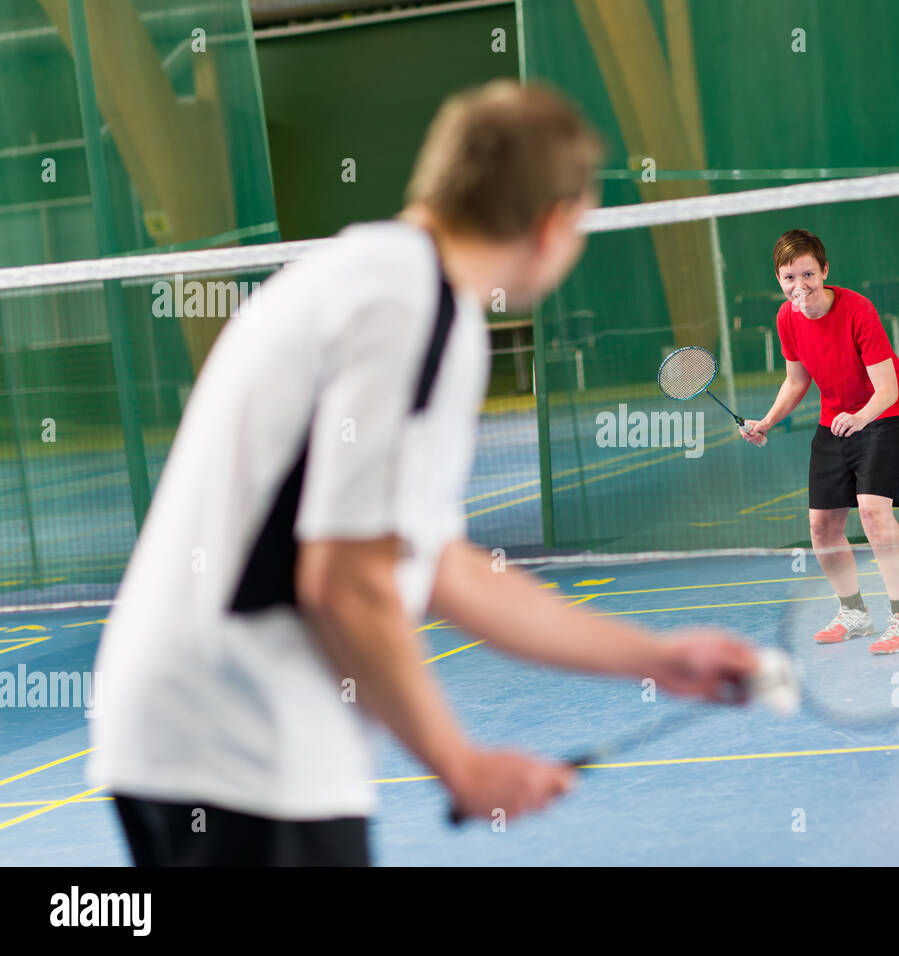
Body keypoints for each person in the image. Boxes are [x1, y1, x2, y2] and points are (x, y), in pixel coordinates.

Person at [89, 81, 758, 866]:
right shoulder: (416, 305)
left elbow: (438, 569)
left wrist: (654, 658)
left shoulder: (355, 275)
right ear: (553, 225)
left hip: (183, 729)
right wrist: (462, 767)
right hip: (245, 742)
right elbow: (348, 581)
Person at [741, 229, 899, 654]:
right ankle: (854, 612)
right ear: (779, 280)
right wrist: (766, 422)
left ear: (824, 270)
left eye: (807, 274)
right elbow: (795, 380)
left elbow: (888, 390)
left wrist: (859, 418)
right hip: (836, 421)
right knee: (821, 526)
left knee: (874, 513)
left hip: (885, 414)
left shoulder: (858, 310)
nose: (799, 286)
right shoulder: (787, 318)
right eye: (789, 277)